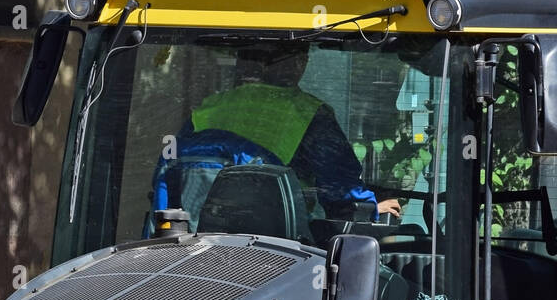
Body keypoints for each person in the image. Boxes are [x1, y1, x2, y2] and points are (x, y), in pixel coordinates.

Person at [155, 44, 402, 223]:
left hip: (199, 239)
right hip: (280, 248)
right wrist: (370, 208)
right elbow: (341, 189)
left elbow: (173, 175)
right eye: (299, 57)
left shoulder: (209, 108)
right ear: (296, 64)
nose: (302, 64)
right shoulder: (310, 115)